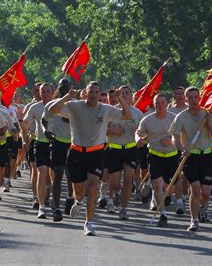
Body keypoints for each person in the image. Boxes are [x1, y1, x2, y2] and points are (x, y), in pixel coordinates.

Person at [49, 81, 132, 236]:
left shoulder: (106, 109)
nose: (93, 95)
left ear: (100, 94)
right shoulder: (76, 106)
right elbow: (53, 110)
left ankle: (89, 222)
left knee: (93, 186)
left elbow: (128, 115)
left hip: (96, 152)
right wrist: (66, 97)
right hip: (76, 152)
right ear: (85, 93)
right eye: (91, 92)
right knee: (79, 192)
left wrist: (120, 98)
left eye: (96, 92)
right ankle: (79, 202)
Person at [170, 87, 212, 231]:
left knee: (206, 193)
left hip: (207, 155)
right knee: (195, 190)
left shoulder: (207, 114)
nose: (193, 100)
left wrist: (209, 122)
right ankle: (194, 220)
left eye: (195, 97)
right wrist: (181, 148)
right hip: (191, 156)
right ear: (186, 99)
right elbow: (174, 137)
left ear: (199, 98)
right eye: (190, 98)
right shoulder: (181, 117)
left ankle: (203, 205)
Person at [136, 93, 182, 226]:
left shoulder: (175, 119)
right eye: (157, 103)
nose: (160, 105)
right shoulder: (147, 120)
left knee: (169, 188)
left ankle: (166, 197)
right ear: (153, 104)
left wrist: (172, 141)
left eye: (162, 102)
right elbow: (139, 133)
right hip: (154, 155)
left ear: (167, 104)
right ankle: (163, 214)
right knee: (157, 185)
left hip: (171, 156)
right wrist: (138, 139)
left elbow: (183, 136)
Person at [106, 85, 144, 220]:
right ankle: (116, 193)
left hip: (130, 149)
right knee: (114, 184)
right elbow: (102, 131)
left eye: (127, 93)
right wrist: (111, 131)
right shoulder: (111, 111)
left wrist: (138, 134)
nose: (124, 95)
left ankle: (123, 208)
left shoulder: (138, 113)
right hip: (114, 149)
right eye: (121, 93)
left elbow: (145, 134)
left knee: (128, 179)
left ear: (131, 96)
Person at [20, 83, 54, 218]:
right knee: (41, 171)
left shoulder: (58, 106)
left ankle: (51, 198)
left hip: (56, 144)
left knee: (53, 175)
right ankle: (41, 206)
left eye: (47, 91)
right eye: (43, 91)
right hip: (40, 143)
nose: (45, 93)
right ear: (39, 93)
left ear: (52, 93)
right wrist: (20, 120)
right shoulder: (34, 107)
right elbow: (25, 124)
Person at [42, 78, 73, 222]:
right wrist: (46, 131)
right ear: (58, 89)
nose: (64, 90)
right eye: (62, 87)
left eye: (67, 87)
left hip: (74, 144)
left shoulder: (75, 105)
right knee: (58, 175)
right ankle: (56, 208)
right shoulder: (52, 104)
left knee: (72, 176)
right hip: (58, 142)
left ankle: (69, 199)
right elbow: (44, 120)